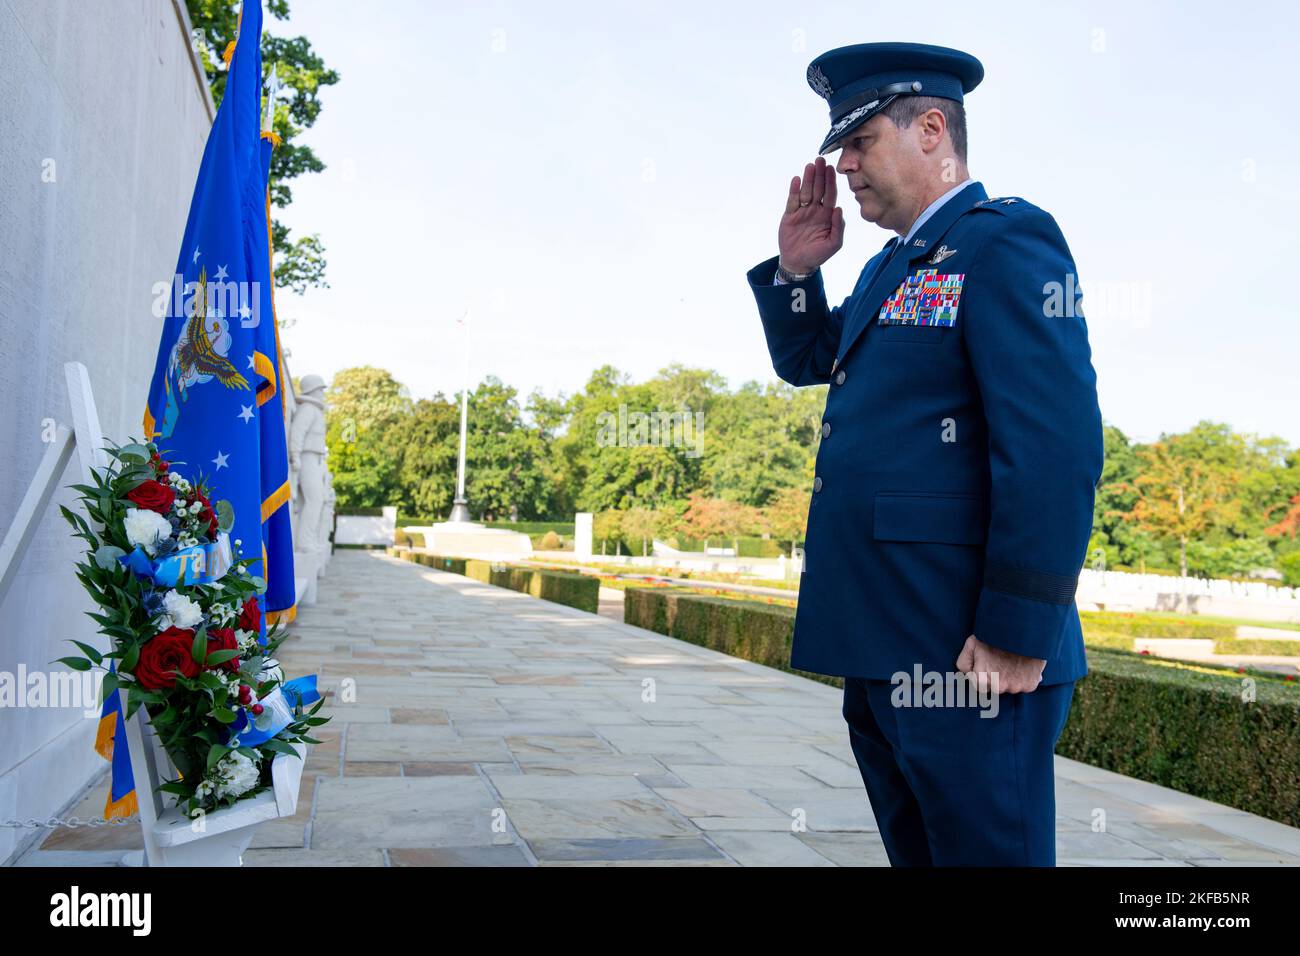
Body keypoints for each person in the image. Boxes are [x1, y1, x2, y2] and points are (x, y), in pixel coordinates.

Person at [746, 42, 1103, 866]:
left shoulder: (1006, 243)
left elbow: (1054, 445)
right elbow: (809, 360)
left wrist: (1021, 628)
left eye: (860, 142)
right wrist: (799, 270)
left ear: (932, 130)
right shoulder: (886, 270)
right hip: (884, 641)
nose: (843, 168)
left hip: (970, 653)